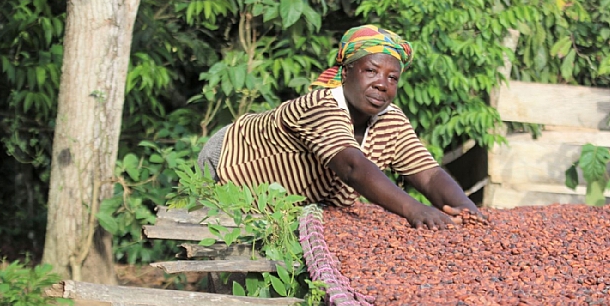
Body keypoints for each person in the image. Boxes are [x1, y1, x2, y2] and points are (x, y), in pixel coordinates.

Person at [197, 24, 481, 230]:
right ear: (346, 73)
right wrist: (414, 209)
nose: (382, 84)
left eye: (392, 78)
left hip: (291, 192)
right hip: (230, 162)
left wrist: (467, 211)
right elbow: (352, 167)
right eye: (371, 71)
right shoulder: (321, 105)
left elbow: (429, 176)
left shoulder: (390, 118)